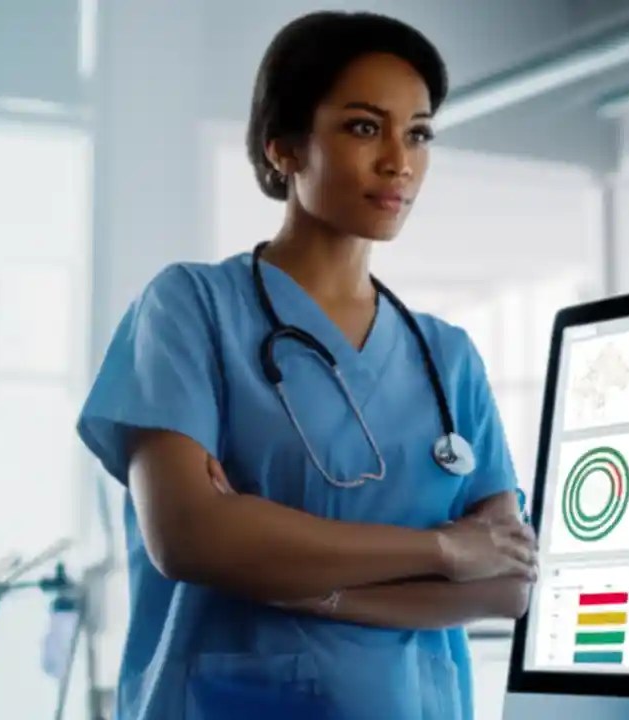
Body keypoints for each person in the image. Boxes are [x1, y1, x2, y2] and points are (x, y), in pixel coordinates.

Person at [76, 11, 538, 719]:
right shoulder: (191, 309)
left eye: (417, 132)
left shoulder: (448, 357)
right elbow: (191, 537)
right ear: (285, 148)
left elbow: (508, 584)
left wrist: (294, 575)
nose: (399, 160)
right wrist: (444, 550)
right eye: (363, 126)